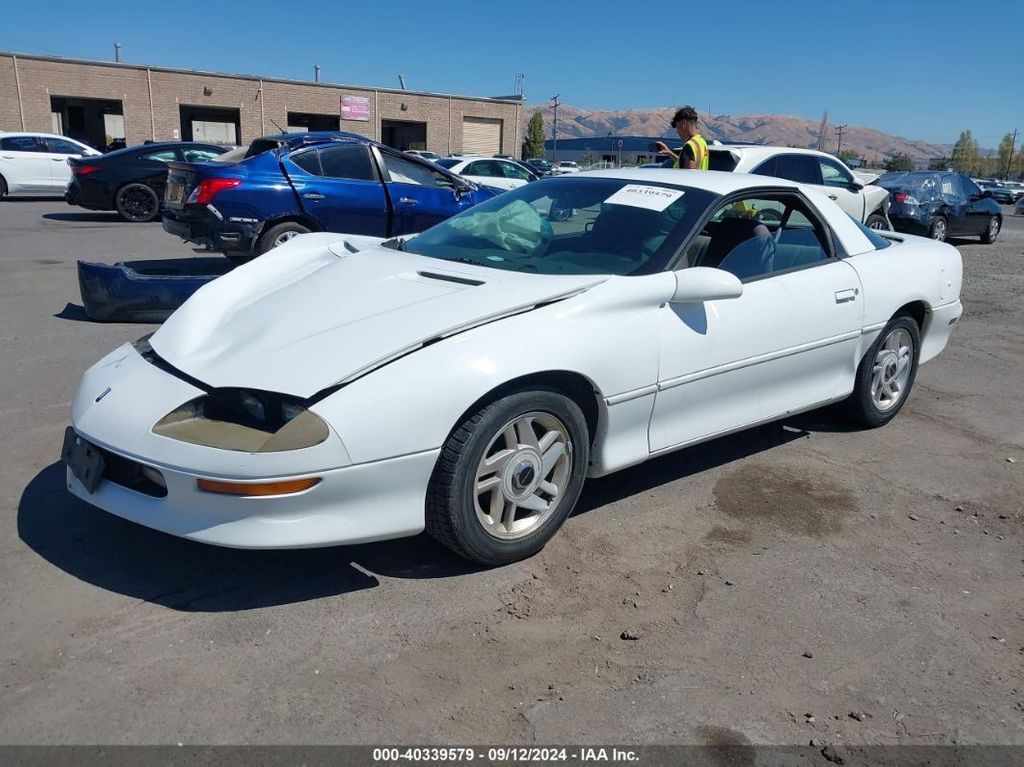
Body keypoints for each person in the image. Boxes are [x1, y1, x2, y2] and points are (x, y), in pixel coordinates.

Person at [655, 106, 708, 170]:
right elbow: (684, 163)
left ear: (683, 124)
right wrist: (669, 153)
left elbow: (687, 173)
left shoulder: (689, 146)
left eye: (677, 127)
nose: (677, 131)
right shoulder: (701, 142)